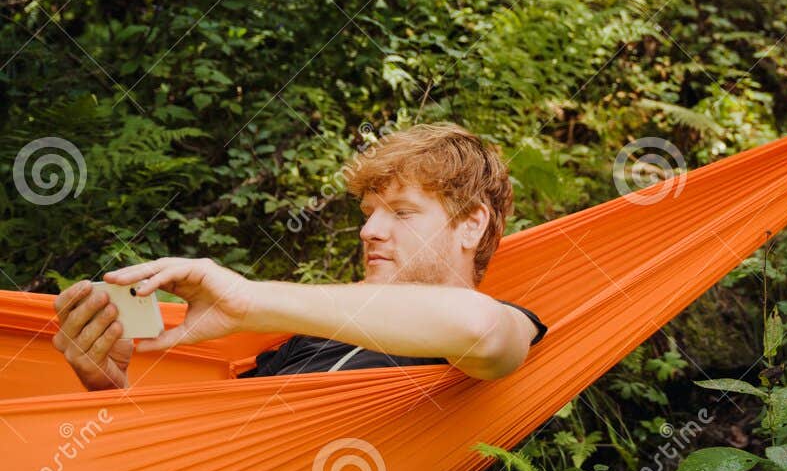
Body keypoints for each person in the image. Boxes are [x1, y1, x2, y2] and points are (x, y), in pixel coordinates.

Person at [50, 122, 547, 391]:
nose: (370, 230)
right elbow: (215, 449)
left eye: (402, 212)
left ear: (472, 224)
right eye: (369, 212)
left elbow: (480, 331)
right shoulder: (316, 334)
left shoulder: (505, 326)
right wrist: (108, 385)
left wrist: (246, 301)